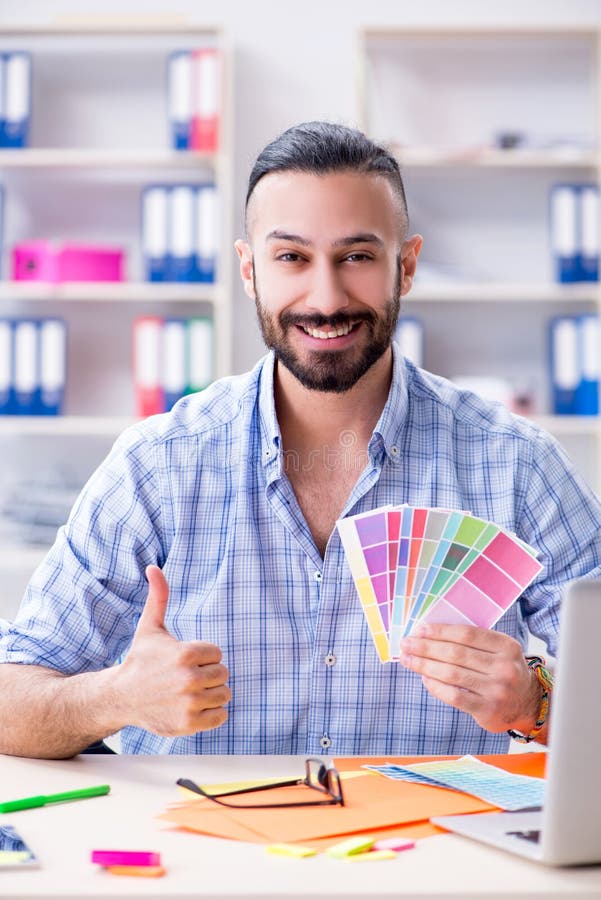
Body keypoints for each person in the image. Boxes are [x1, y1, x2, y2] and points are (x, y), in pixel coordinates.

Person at [1, 121, 600, 760]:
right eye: (292, 257)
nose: (327, 298)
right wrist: (115, 698)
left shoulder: (517, 465)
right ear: (249, 269)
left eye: (357, 257)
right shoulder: (159, 464)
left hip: (439, 829)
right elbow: (12, 699)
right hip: (199, 828)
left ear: (406, 266)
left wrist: (537, 704)